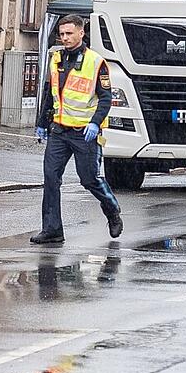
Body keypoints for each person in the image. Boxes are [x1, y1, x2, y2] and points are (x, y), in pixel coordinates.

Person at [32, 13, 123, 245]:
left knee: (89, 179)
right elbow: (50, 95)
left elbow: (105, 99)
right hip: (60, 131)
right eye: (61, 34)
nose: (65, 38)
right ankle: (52, 229)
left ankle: (112, 209)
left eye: (69, 33)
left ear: (81, 33)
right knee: (51, 178)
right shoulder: (56, 59)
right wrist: (42, 124)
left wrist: (95, 123)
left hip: (85, 133)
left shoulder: (95, 62)